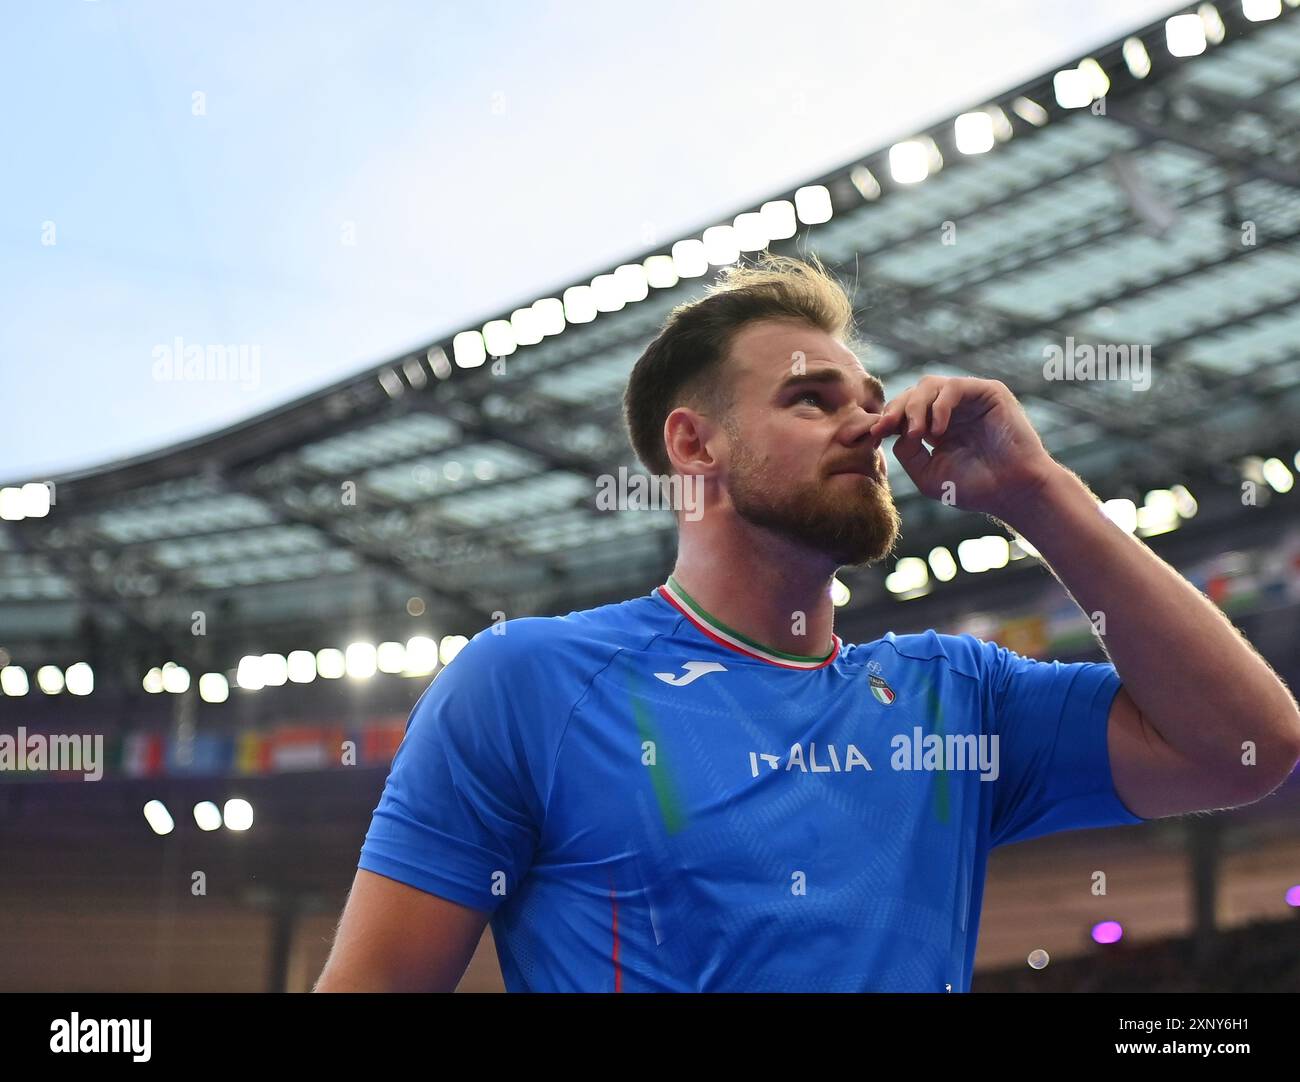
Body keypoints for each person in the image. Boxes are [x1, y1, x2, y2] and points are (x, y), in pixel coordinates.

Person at [315, 254, 1300, 992]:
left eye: (869, 400)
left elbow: (1248, 746)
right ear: (693, 442)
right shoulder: (527, 681)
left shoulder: (952, 698)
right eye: (810, 398)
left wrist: (1037, 494)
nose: (868, 425)